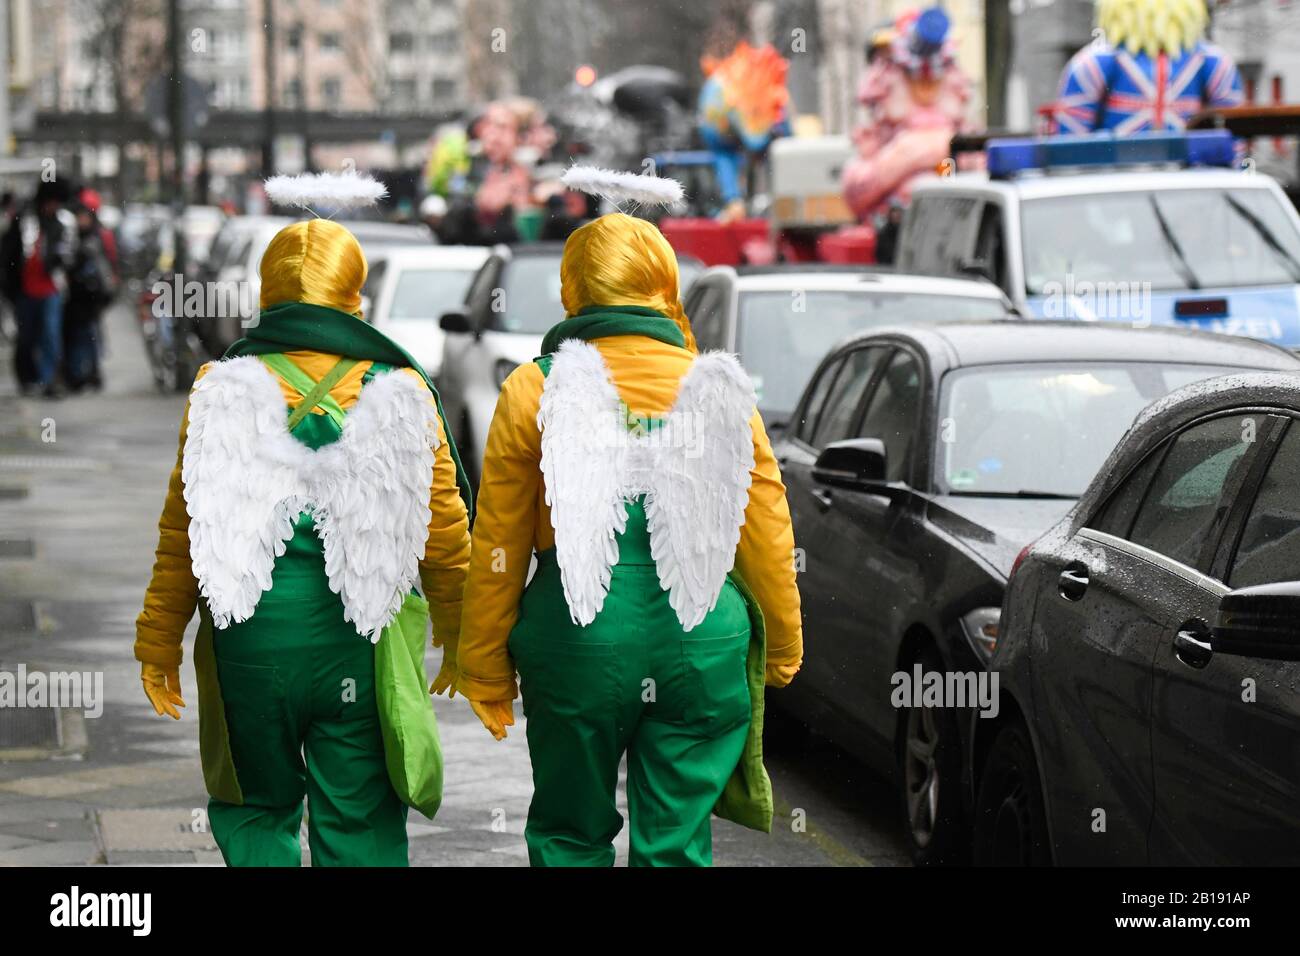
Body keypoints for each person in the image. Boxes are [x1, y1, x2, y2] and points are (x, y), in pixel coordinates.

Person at [453, 172, 804, 867]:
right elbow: (766, 533)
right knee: (675, 844)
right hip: (700, 642)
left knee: (568, 831)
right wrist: (785, 646)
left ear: (573, 288)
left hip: (577, 644)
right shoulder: (721, 389)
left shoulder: (535, 387)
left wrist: (484, 664)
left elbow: (498, 541)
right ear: (663, 283)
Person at [135, 186, 473, 867]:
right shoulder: (400, 392)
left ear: (266, 294)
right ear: (356, 297)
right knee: (360, 824)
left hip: (251, 648)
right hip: (360, 650)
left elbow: (183, 534)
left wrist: (158, 643)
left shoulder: (218, 389)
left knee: (257, 812)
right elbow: (446, 542)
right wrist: (471, 643)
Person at [13, 180, 70, 397]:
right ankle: (29, 377)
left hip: (50, 290)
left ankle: (48, 379)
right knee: (26, 337)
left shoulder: (59, 226)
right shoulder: (25, 223)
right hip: (26, 289)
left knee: (50, 335)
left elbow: (65, 256)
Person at [63, 190, 117, 391]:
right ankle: (84, 374)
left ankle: (87, 374)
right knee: (85, 336)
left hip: (89, 298)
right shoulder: (86, 238)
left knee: (87, 336)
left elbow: (105, 266)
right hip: (83, 298)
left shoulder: (92, 239)